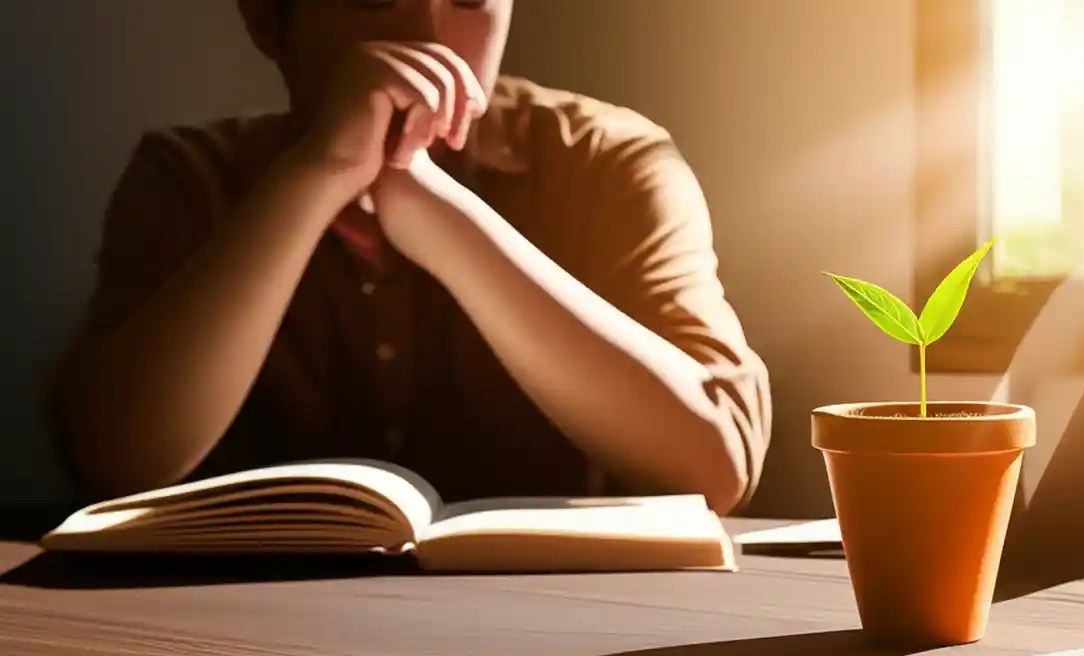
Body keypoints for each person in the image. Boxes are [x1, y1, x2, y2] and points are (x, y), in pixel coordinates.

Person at [49, 0, 771, 515]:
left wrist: (444, 221)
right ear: (268, 19)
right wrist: (320, 175)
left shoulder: (607, 159)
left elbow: (716, 470)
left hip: (554, 623)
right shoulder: (193, 177)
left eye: (468, 0)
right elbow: (119, 462)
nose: (431, 38)